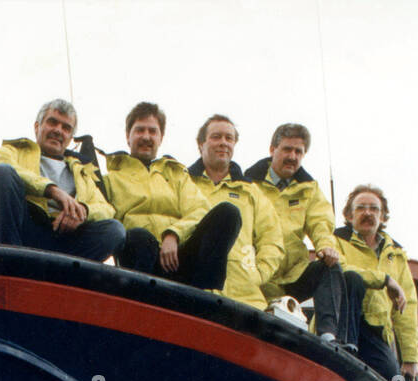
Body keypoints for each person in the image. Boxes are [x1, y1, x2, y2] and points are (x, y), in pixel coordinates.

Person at [104, 102, 240, 290]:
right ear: (128, 136)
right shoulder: (111, 179)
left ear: (160, 138)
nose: (146, 136)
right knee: (139, 237)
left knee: (228, 212)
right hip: (141, 260)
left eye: (152, 131)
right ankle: (139, 300)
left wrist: (173, 234)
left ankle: (206, 298)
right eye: (139, 130)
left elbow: (200, 209)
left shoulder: (177, 175)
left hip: (179, 258)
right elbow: (105, 219)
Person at [0, 100, 125, 262]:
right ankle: (10, 261)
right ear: (37, 127)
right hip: (24, 230)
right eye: (52, 122)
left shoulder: (82, 171)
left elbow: (107, 209)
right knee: (2, 172)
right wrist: (51, 190)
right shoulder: (14, 151)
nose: (58, 130)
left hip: (65, 236)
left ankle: (65, 273)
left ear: (70, 138)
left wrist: (82, 211)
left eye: (66, 128)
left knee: (115, 230)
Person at [244, 123, 351, 340]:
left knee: (330, 268)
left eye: (298, 152)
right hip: (257, 274)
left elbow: (321, 221)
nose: (293, 156)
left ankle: (328, 336)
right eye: (287, 149)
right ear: (272, 149)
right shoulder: (247, 183)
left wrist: (325, 247)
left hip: (293, 274)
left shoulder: (309, 189)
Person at [188, 115, 284, 309]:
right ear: (200, 144)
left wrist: (257, 274)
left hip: (245, 299)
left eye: (229, 138)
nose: (223, 143)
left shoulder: (251, 192)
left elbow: (272, 240)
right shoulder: (183, 183)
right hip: (193, 291)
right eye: (216, 137)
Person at [333, 185, 418, 381]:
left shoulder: (396, 256)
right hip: (342, 324)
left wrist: (410, 358)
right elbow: (340, 270)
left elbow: (407, 308)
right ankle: (346, 354)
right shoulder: (335, 241)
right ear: (349, 215)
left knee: (395, 380)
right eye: (361, 207)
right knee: (352, 279)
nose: (367, 213)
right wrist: (384, 280)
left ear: (383, 217)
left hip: (376, 331)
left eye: (374, 209)